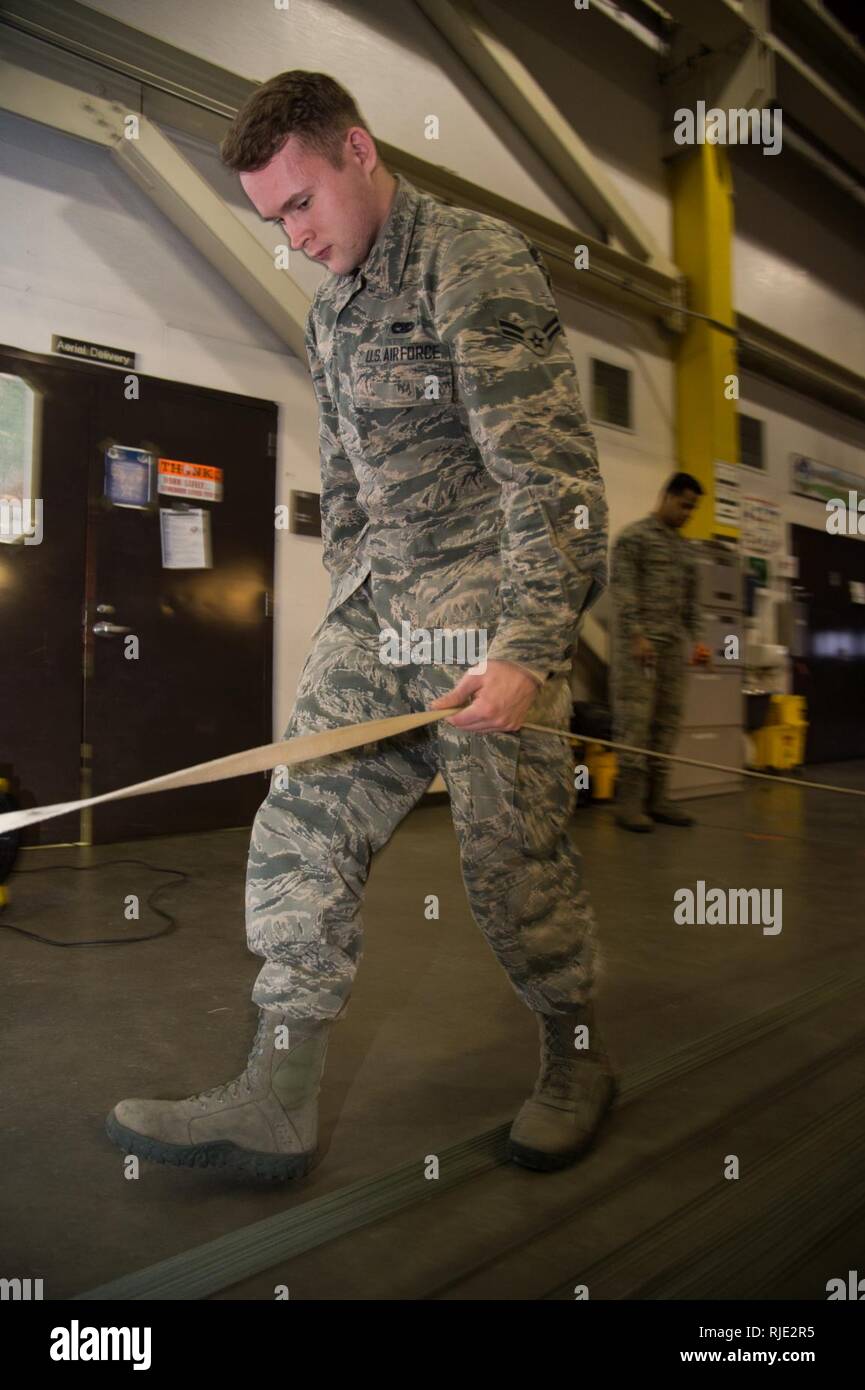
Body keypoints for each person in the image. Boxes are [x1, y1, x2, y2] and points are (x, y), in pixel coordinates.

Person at [105, 71, 615, 1181]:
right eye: (271, 218)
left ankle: (576, 1056)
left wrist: (528, 648)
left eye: (300, 203)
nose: (292, 237)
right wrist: (349, 598)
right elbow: (344, 481)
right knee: (301, 823)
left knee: (505, 862)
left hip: (485, 606)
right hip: (380, 607)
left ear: (358, 150)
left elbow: (552, 480)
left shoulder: (468, 262)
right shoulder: (331, 308)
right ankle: (275, 1099)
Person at [609, 473, 705, 832]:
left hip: (671, 651)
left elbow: (692, 600)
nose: (688, 513)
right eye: (684, 505)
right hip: (639, 651)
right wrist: (637, 635)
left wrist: (696, 639)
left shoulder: (686, 549)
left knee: (667, 722)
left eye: (693, 508)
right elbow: (623, 591)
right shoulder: (633, 538)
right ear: (665, 496)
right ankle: (629, 804)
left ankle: (659, 798)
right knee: (635, 724)